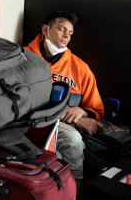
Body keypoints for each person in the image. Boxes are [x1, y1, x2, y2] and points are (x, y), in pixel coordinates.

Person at [25, 11, 104, 185]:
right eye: (62, 29)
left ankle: (74, 189)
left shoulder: (80, 68)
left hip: (60, 126)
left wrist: (82, 112)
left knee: (71, 143)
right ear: (46, 29)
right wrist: (61, 112)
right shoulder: (23, 58)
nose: (66, 36)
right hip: (26, 121)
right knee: (57, 156)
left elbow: (97, 110)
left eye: (70, 33)